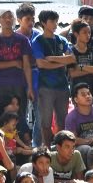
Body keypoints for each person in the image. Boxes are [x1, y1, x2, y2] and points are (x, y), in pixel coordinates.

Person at [31, 10, 75, 146]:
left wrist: (52, 59)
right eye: (52, 21)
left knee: (62, 120)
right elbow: (41, 64)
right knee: (46, 121)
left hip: (62, 86)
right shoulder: (38, 41)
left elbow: (72, 58)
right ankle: (47, 148)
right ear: (43, 23)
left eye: (56, 21)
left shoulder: (61, 39)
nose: (55, 24)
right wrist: (62, 61)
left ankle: (61, 146)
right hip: (45, 87)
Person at [0, 8, 33, 122]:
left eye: (10, 16)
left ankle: (19, 140)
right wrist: (14, 63)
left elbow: (26, 65)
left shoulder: (22, 40)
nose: (8, 19)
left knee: (20, 119)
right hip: (0, 85)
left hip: (19, 84)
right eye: (4, 17)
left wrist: (30, 87)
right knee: (1, 119)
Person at [65, 84, 93, 168]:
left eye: (89, 93)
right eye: (83, 95)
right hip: (81, 148)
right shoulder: (71, 117)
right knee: (86, 149)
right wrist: (90, 141)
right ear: (76, 99)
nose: (88, 96)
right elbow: (72, 140)